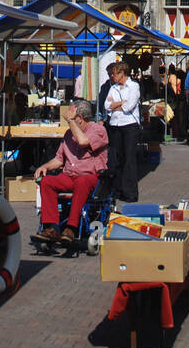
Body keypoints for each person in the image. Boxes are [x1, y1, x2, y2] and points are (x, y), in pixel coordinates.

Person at [33, 101, 108, 243]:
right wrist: (45, 166)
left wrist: (71, 121)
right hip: (69, 175)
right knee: (47, 181)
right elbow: (59, 159)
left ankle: (71, 228)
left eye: (71, 114)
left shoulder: (98, 130)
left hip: (90, 176)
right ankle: (51, 227)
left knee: (82, 181)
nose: (66, 117)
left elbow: (83, 142)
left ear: (79, 117)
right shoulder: (68, 134)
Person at [105, 61, 141, 202]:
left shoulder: (134, 86)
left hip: (129, 124)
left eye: (113, 74)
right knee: (117, 158)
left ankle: (130, 192)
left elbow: (130, 106)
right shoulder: (113, 87)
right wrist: (120, 103)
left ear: (121, 73)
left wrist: (116, 105)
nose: (112, 76)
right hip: (115, 124)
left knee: (129, 159)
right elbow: (107, 105)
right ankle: (117, 189)